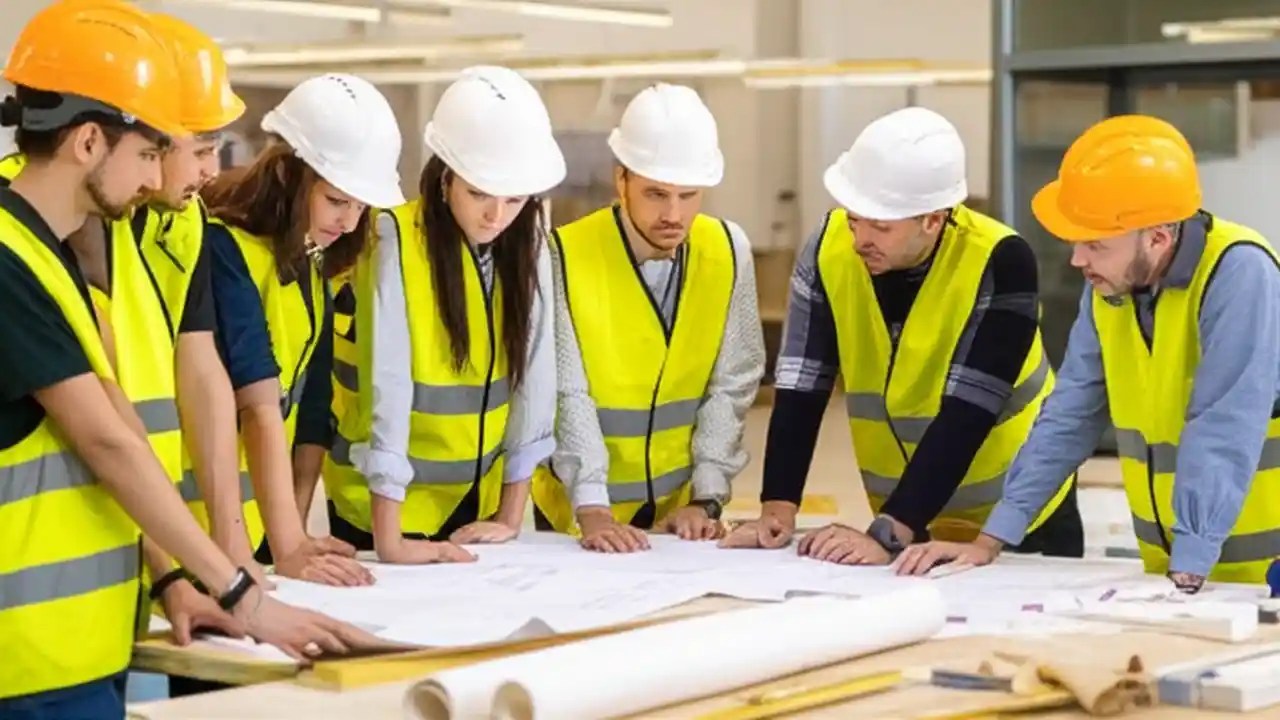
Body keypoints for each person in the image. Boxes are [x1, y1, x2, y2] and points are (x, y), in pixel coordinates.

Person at [0, 3, 374, 717]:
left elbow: (123, 429)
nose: (155, 178)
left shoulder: (51, 251)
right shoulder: (11, 259)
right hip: (26, 658)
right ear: (86, 141)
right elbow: (107, 442)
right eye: (149, 152)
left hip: (87, 641)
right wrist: (243, 594)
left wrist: (172, 582)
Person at [896, 114, 1280, 589]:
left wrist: (1191, 560)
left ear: (1158, 237)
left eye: (1095, 245)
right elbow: (1069, 415)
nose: (1078, 260)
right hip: (1180, 572)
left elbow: (1224, 422)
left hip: (1261, 573)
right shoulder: (1112, 285)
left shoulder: (1240, 273)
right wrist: (991, 539)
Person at [721, 107, 1081, 565]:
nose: (859, 239)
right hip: (906, 513)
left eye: (880, 226)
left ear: (933, 220)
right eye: (854, 218)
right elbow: (800, 386)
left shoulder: (1002, 260)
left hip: (1014, 519)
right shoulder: (827, 249)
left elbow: (969, 411)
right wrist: (777, 507)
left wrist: (890, 532)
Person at [322, 66, 564, 562]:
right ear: (444, 177)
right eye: (479, 194)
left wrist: (510, 515)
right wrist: (390, 541)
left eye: (514, 199)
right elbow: (386, 386)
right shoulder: (392, 237)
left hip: (477, 506)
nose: (496, 216)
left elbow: (535, 379)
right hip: (379, 508)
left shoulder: (529, 239)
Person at [530, 82, 766, 553]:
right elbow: (566, 390)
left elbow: (732, 383)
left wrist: (708, 496)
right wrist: (592, 506)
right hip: (577, 513)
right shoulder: (562, 255)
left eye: (688, 195)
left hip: (682, 515)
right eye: (656, 194)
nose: (673, 214)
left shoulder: (728, 250)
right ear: (621, 181)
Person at [200, 73, 405, 577]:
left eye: (360, 206)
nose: (350, 223)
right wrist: (287, 544)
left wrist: (289, 532)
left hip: (253, 531)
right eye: (337, 201)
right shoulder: (225, 251)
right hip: (202, 530)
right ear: (291, 176)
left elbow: (311, 406)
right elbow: (259, 404)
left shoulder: (310, 260)